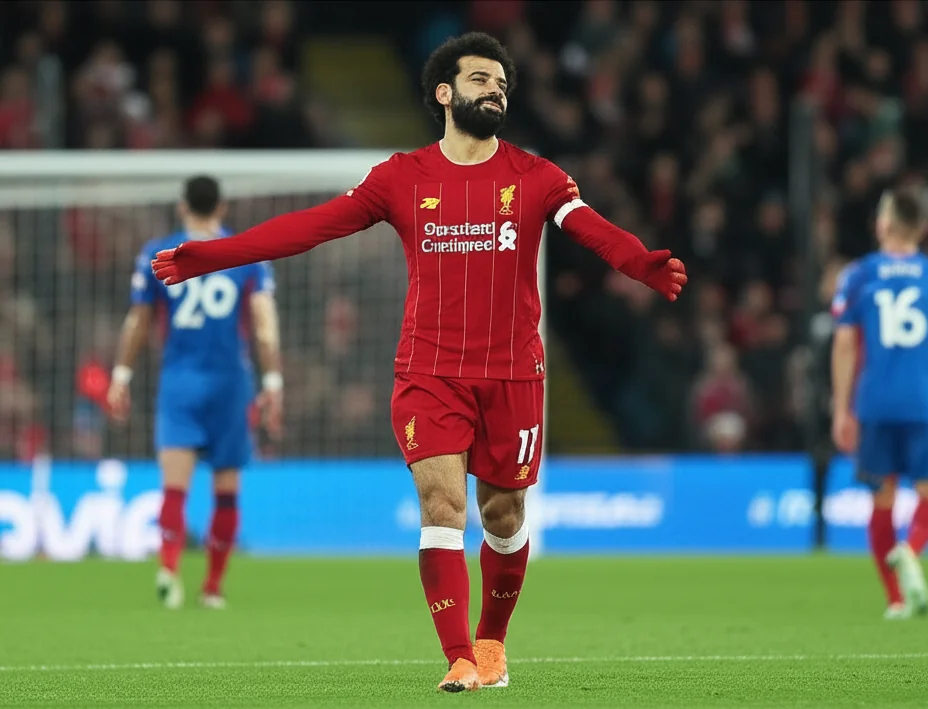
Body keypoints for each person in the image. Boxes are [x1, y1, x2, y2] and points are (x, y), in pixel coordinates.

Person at [151, 33, 686, 691]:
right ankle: (459, 653)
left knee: (504, 517)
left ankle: (493, 642)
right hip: (429, 372)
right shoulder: (402, 178)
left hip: (514, 375)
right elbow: (310, 226)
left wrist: (639, 261)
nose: (496, 90)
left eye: (502, 83)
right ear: (444, 92)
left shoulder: (536, 176)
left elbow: (590, 227)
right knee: (441, 503)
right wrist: (210, 254)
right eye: (482, 79)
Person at [108, 175, 283, 610]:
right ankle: (213, 588)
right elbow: (263, 326)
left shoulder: (157, 252)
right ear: (221, 207)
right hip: (231, 382)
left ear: (183, 207)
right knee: (226, 489)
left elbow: (139, 320)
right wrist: (274, 380)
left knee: (174, 487)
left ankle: (169, 568)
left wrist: (122, 374)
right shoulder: (248, 253)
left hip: (180, 381)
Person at [831, 188, 928, 620]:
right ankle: (911, 550)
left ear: (885, 223)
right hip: (923, 401)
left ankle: (895, 600)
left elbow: (843, 342)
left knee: (882, 501)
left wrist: (842, 408)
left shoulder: (859, 274)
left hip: (873, 402)